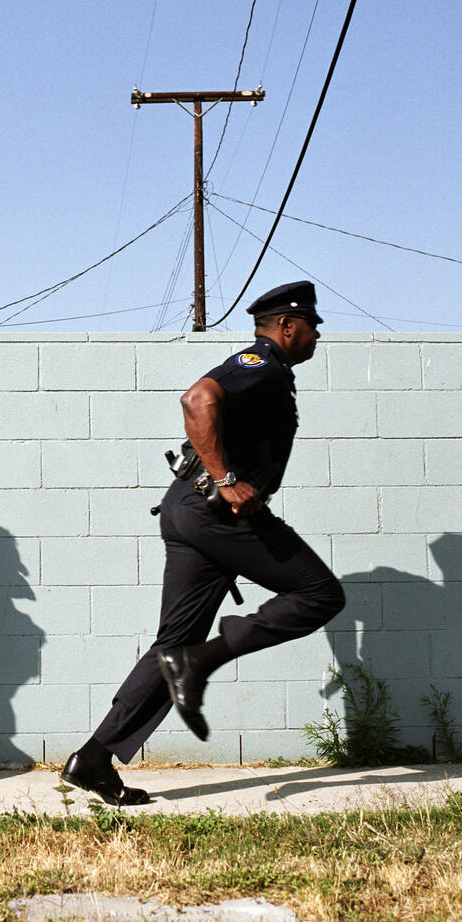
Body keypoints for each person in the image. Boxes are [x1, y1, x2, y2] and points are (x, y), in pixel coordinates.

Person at [61, 282, 347, 806]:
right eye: (311, 324)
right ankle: (203, 662)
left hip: (192, 511)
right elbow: (197, 399)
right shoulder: (260, 362)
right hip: (216, 512)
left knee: (171, 646)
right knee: (321, 595)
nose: (317, 333)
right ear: (287, 326)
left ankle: (93, 760)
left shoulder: (270, 371)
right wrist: (225, 478)